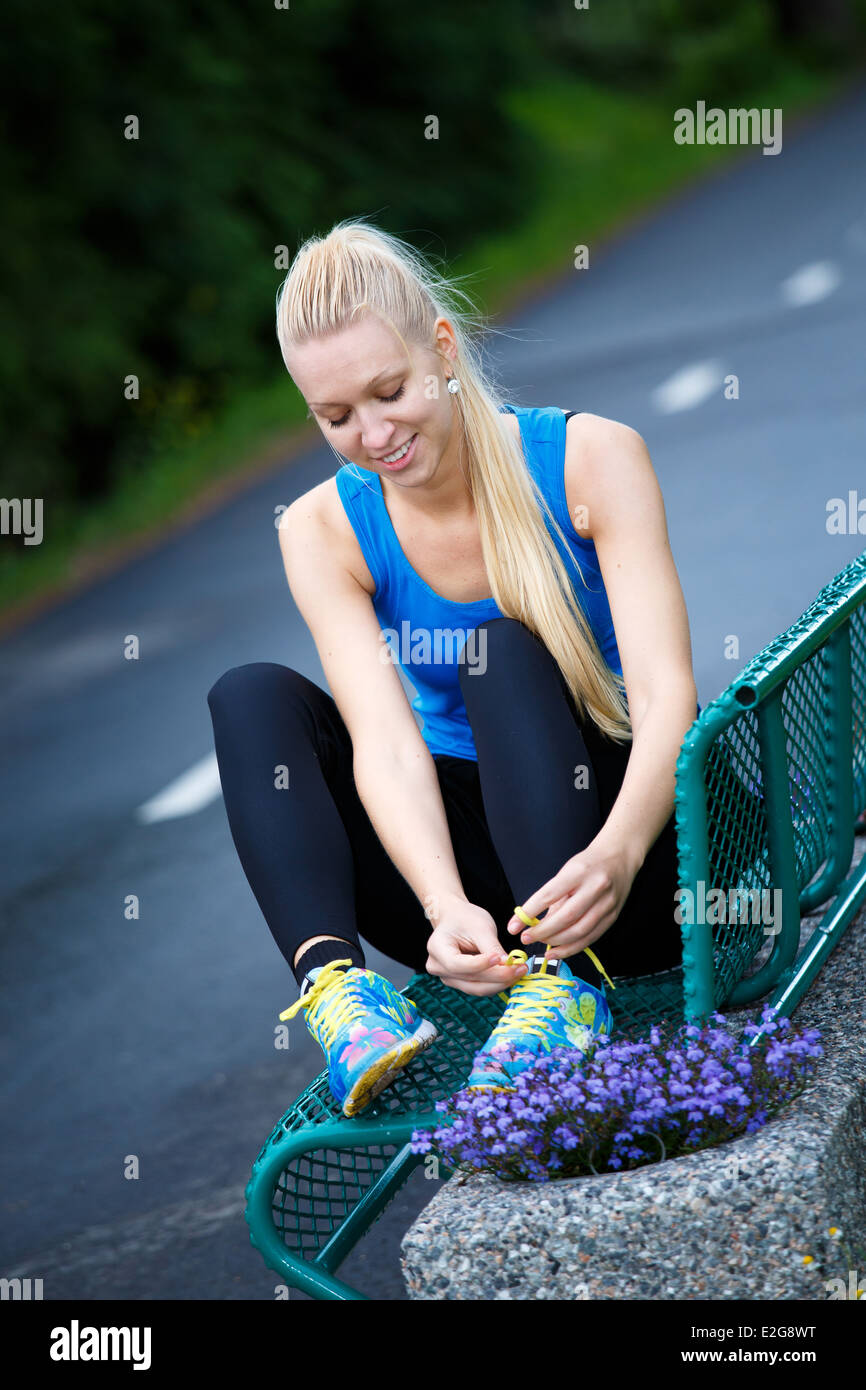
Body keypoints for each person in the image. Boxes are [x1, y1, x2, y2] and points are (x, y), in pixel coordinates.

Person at [207, 217, 702, 1117]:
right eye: (336, 417)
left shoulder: (591, 457)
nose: (374, 433)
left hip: (627, 865)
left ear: (441, 348)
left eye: (389, 391)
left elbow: (669, 696)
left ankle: (567, 985)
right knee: (249, 697)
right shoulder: (319, 530)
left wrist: (619, 855)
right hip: (487, 910)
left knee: (498, 648)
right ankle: (344, 1004)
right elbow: (387, 747)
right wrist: (441, 907)